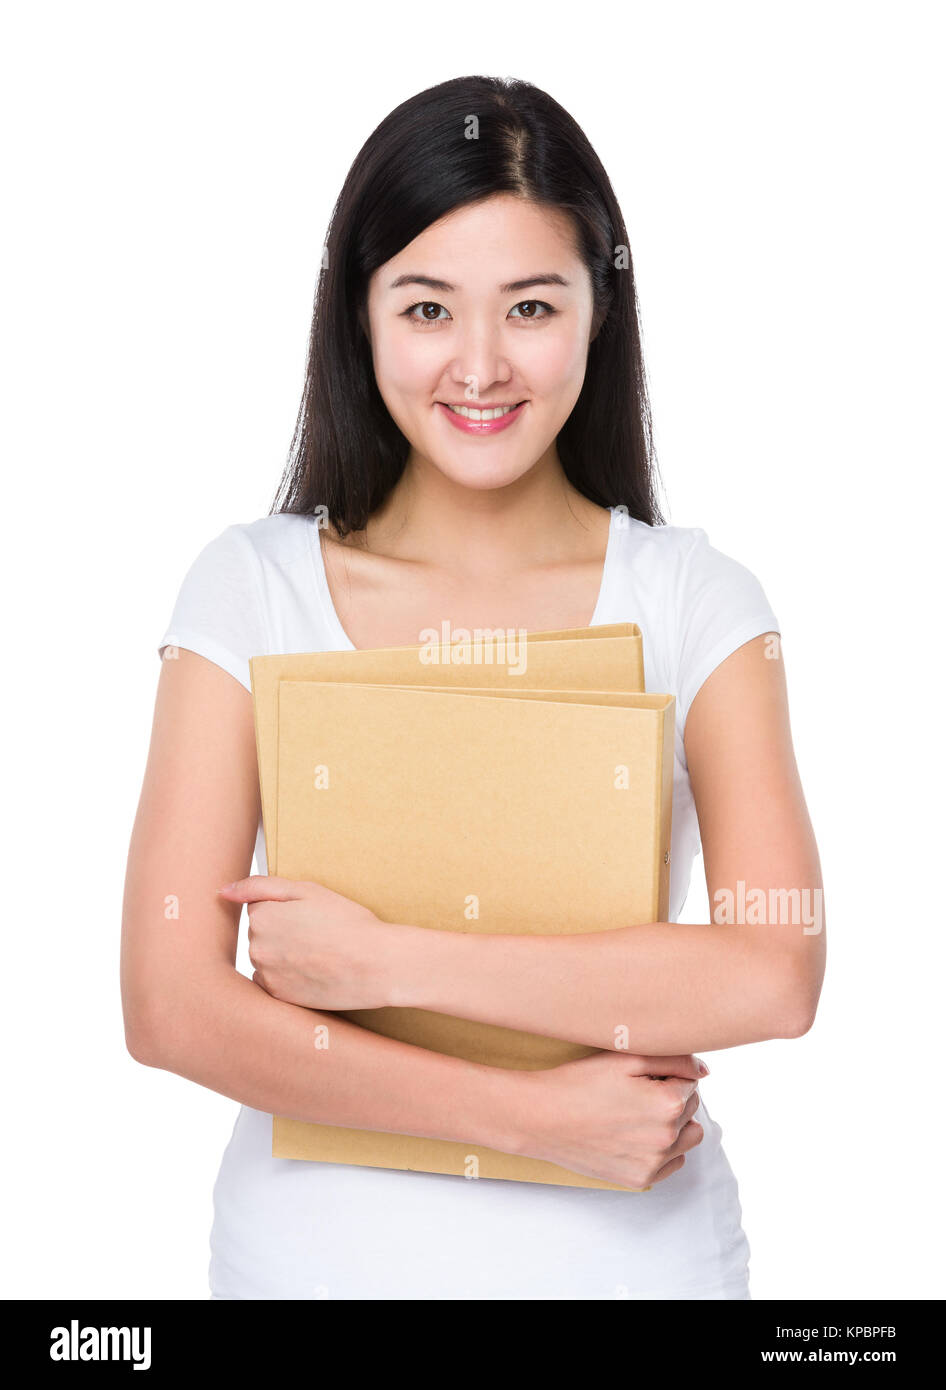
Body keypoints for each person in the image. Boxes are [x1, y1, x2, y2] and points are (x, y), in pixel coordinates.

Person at [121, 75, 825, 1300]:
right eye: (428, 307)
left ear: (600, 311)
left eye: (533, 306)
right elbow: (167, 1002)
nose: (481, 366)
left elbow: (774, 969)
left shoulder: (692, 598)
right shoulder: (248, 586)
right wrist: (526, 1116)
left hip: (633, 1267)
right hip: (314, 1271)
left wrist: (389, 960)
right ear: (359, 316)